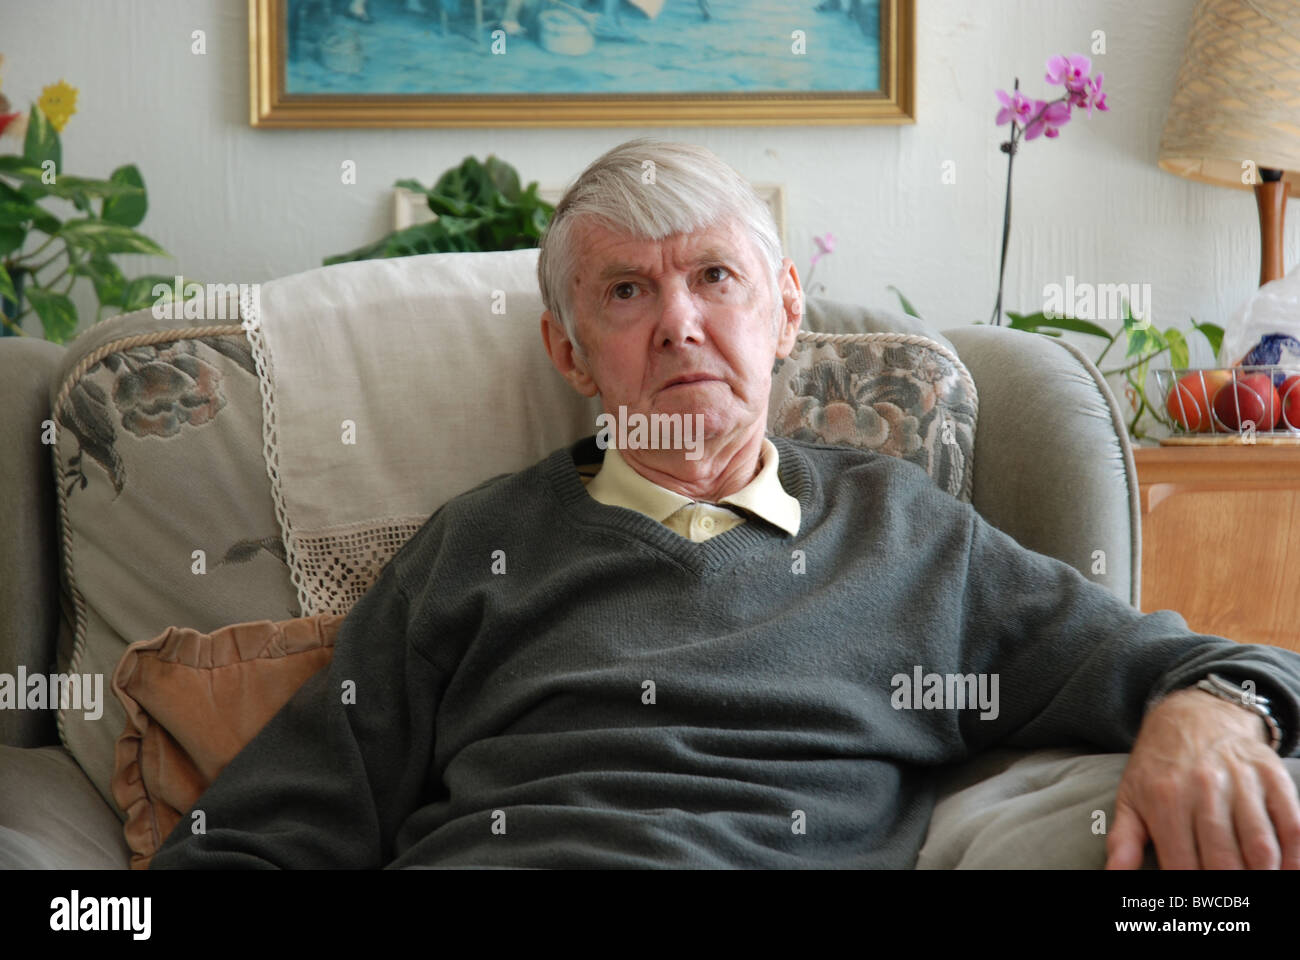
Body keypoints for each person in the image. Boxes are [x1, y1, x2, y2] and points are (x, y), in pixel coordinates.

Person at [150, 138, 1300, 870]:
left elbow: (1188, 661)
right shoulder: (477, 546)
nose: (680, 323)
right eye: (625, 291)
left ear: (784, 311)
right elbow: (266, 828)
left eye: (715, 278)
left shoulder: (906, 538)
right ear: (567, 347)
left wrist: (1212, 710)